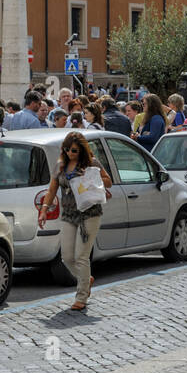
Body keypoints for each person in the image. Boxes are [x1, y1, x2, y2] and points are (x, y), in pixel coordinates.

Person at [37, 132, 113, 311]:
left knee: (81, 256)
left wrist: (90, 178)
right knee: (67, 257)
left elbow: (108, 182)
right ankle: (86, 279)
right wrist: (43, 210)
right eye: (66, 149)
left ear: (81, 150)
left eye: (74, 150)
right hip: (69, 214)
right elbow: (52, 189)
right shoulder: (60, 166)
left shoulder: (92, 163)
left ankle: (81, 296)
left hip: (90, 214)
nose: (70, 153)